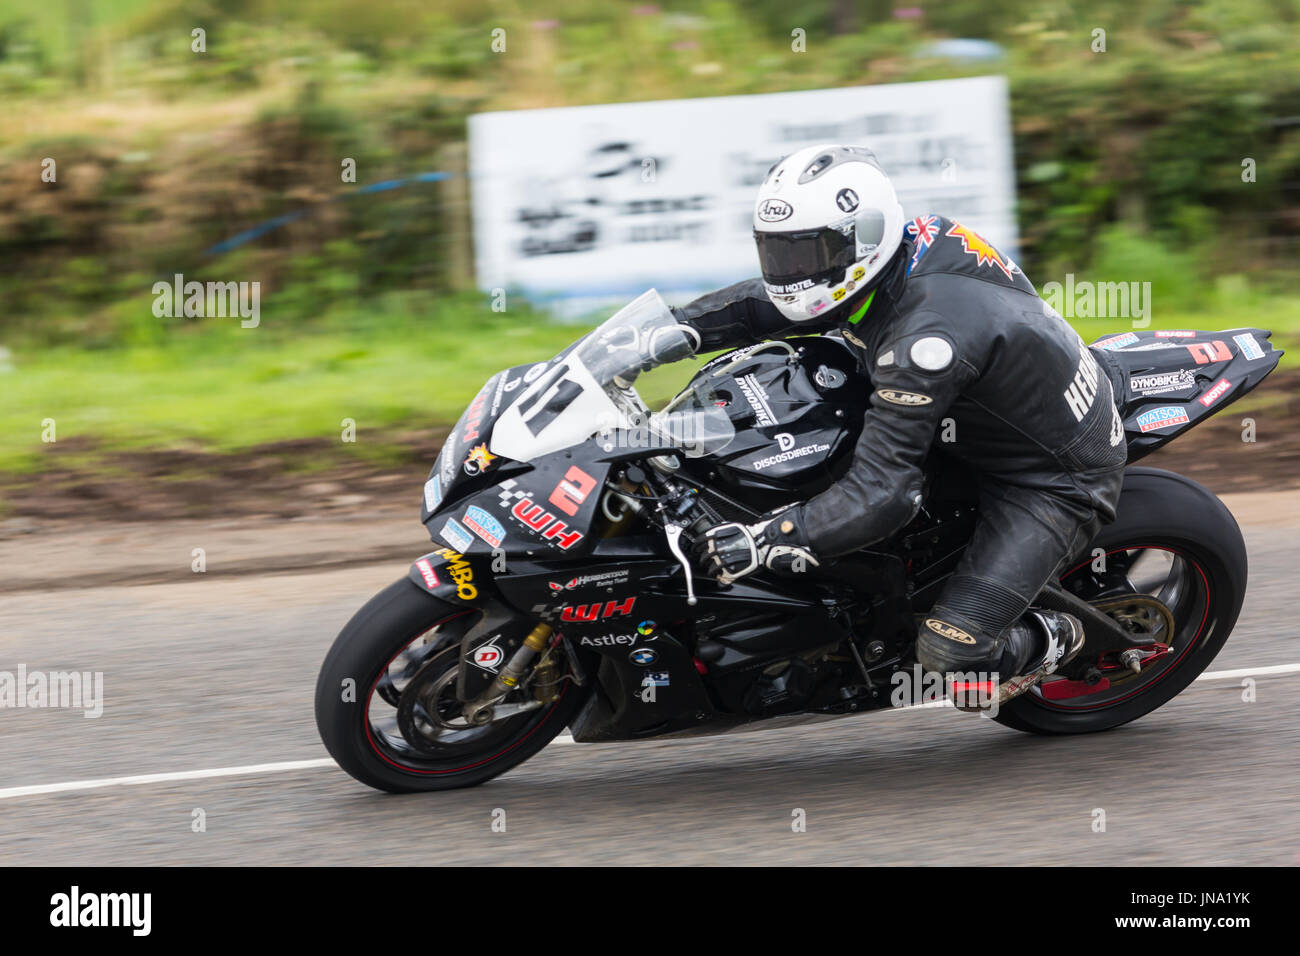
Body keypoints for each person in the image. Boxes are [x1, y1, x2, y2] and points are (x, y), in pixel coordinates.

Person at [682, 144, 1127, 709]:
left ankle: (1063, 636)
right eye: (778, 253)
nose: (790, 274)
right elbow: (769, 304)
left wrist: (769, 540)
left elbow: (884, 494)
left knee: (953, 661)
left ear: (860, 241)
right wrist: (669, 332)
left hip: (1052, 480)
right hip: (977, 418)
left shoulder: (924, 346)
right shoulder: (901, 248)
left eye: (806, 254)